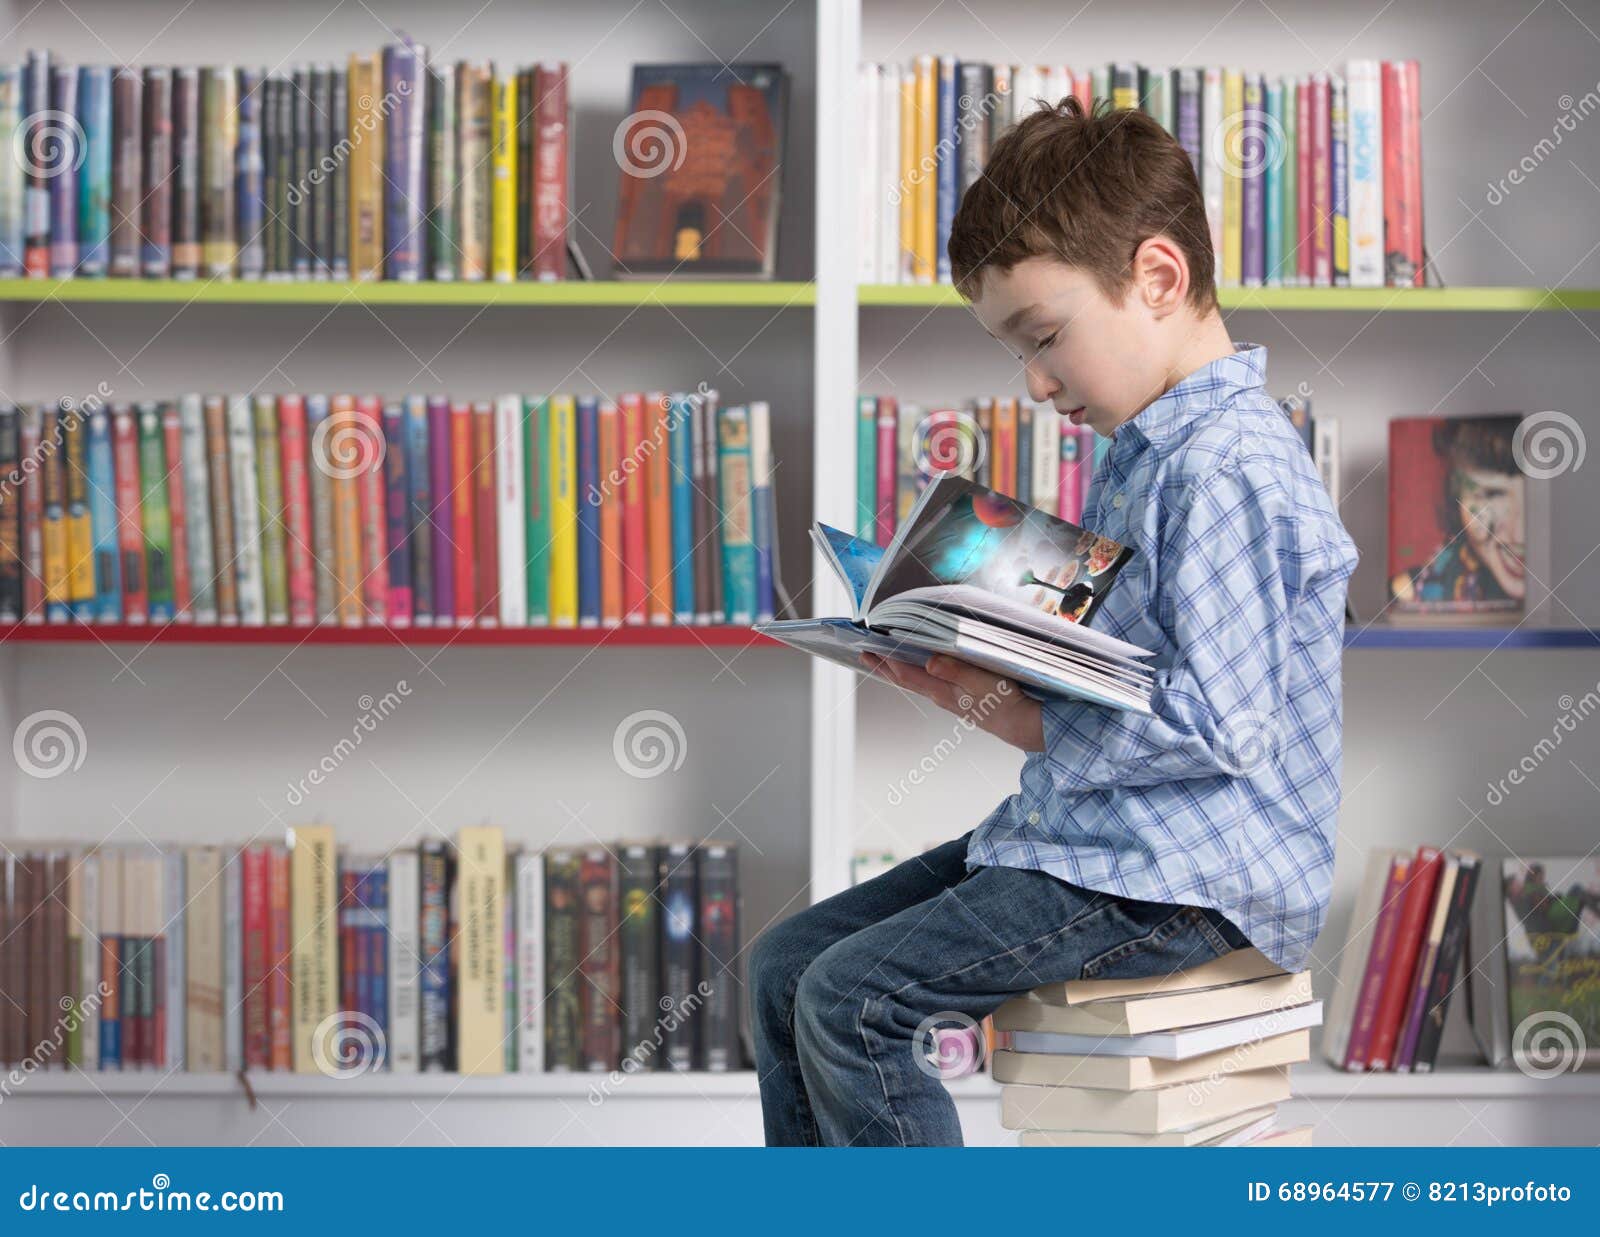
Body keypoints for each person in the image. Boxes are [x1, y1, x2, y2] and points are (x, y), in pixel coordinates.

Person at [749, 97, 1359, 1147]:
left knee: (851, 1001)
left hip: (1185, 874)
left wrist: (1028, 720)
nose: (1033, 382)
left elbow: (1223, 725)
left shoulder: (1226, 467)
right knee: (782, 967)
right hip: (1094, 841)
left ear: (1157, 279)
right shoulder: (1150, 451)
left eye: (1042, 338)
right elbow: (1126, 661)